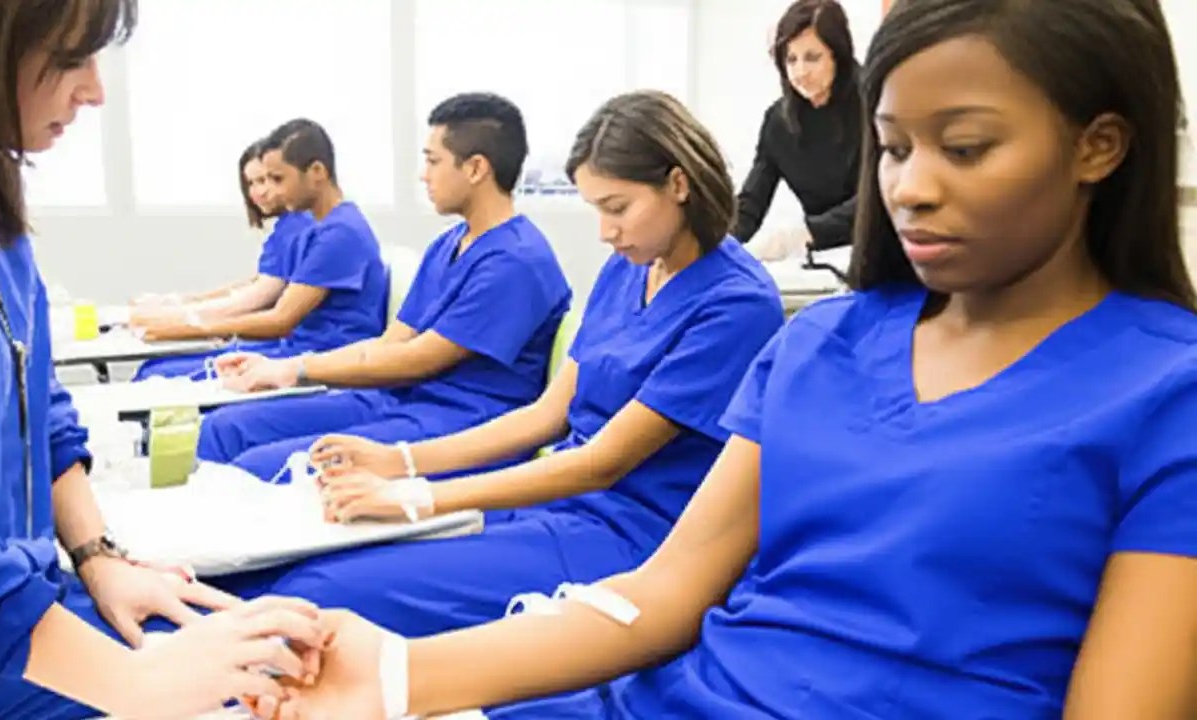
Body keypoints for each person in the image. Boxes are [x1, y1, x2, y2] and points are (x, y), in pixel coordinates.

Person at [251, 0, 1197, 717]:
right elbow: (664, 595)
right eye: (894, 148)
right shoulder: (825, 343)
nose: (911, 188)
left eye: (965, 147)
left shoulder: (1164, 393)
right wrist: (395, 676)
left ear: (1099, 146)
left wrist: (414, 485)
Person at [220, 91, 785, 637]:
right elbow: (546, 416)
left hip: (631, 533)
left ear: (678, 185)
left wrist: (418, 493)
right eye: (596, 210)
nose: (604, 232)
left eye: (617, 209)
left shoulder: (736, 304)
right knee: (293, 564)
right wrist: (401, 461)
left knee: (321, 591)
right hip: (557, 501)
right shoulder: (628, 268)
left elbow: (602, 464)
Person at [0, 2, 328, 718]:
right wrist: (131, 683)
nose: (95, 90)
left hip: (3, 613)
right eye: (72, 56)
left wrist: (99, 555)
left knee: (273, 657)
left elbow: (36, 404)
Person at [195, 93, 572, 483]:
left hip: (456, 422)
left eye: (432, 161)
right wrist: (280, 369)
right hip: (399, 397)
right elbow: (393, 342)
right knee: (226, 429)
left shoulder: (515, 261)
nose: (423, 175)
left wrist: (297, 369)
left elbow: (419, 359)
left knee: (257, 470)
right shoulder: (449, 244)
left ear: (476, 168)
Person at [131, 119, 387, 371]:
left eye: (278, 179)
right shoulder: (324, 227)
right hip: (294, 349)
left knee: (157, 373)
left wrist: (189, 325)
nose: (273, 192)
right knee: (156, 368)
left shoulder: (340, 233)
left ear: (317, 172)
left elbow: (280, 320)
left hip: (320, 359)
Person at [130, 138, 314, 379]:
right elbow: (257, 283)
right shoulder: (289, 227)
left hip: (301, 348)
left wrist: (179, 319)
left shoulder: (307, 227)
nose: (260, 191)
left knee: (156, 374)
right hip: (291, 344)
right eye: (252, 183)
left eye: (270, 179)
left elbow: (256, 300)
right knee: (153, 369)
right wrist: (181, 303)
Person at [734, 0, 863, 260]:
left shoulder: (876, 102)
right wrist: (714, 245)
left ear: (839, 55)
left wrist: (804, 233)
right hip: (826, 258)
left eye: (812, 58)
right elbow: (751, 204)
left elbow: (883, 194)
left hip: (888, 247)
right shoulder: (778, 122)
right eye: (791, 60)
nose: (800, 72)